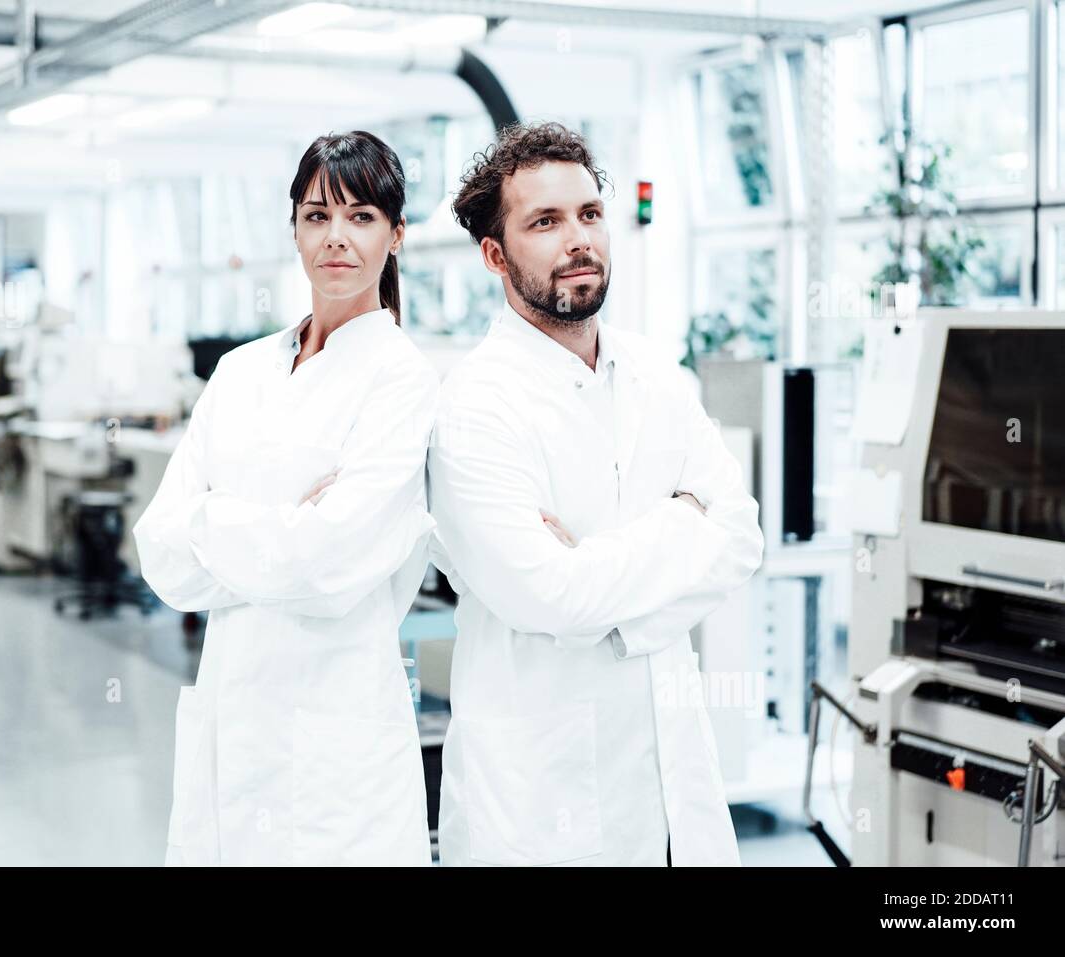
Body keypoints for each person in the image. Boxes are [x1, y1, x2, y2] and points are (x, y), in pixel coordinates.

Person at [427, 121, 764, 867]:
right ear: (495, 254)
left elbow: (741, 536)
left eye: (588, 213)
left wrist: (603, 587)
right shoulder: (475, 407)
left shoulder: (654, 372)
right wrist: (682, 523)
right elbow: (552, 596)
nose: (577, 238)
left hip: (674, 786)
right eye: (544, 222)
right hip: (541, 805)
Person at [133, 131, 438, 866]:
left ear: (396, 235)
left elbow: (324, 565)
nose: (337, 237)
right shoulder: (240, 372)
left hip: (338, 753)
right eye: (316, 215)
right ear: (295, 229)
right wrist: (280, 525)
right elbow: (160, 553)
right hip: (230, 727)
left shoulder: (401, 379)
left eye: (361, 216)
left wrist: (216, 518)